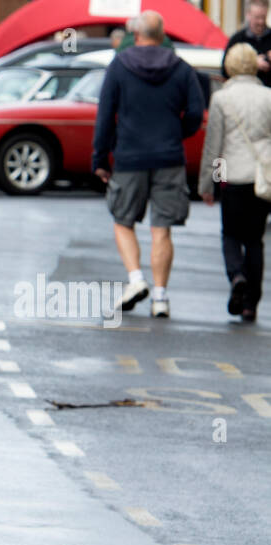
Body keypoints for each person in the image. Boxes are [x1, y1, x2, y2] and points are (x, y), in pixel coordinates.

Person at [92, 11, 205, 318]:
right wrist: (176, 134)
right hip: (169, 157)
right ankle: (160, 297)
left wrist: (101, 158)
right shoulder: (181, 69)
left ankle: (135, 279)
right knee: (162, 229)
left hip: (129, 157)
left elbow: (104, 116)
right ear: (163, 34)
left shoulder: (120, 66)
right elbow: (196, 112)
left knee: (122, 220)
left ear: (137, 36)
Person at [200, 43, 271, 324]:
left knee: (230, 234)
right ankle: (250, 305)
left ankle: (236, 275)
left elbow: (213, 144)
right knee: (255, 240)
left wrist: (210, 183)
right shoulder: (268, 96)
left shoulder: (221, 99)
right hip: (261, 177)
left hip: (231, 175)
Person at [223, 0, 271, 88]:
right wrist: (253, 63)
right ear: (248, 15)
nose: (260, 22)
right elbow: (225, 70)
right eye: (257, 17)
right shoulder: (237, 39)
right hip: (242, 93)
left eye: (263, 17)